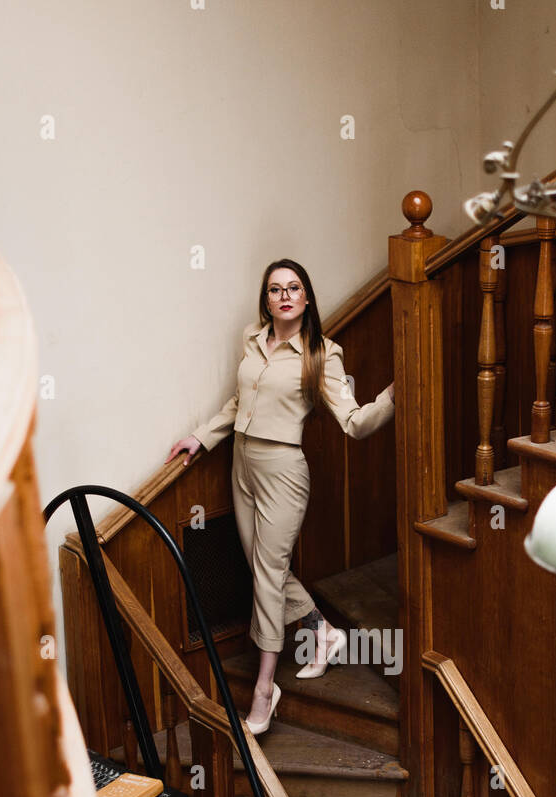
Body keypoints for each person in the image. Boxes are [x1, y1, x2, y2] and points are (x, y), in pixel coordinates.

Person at [165, 259, 395, 734]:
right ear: (266, 299)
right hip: (240, 462)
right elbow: (238, 402)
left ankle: (265, 690)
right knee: (261, 566)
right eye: (275, 289)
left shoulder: (321, 354)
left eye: (294, 288)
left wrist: (397, 393)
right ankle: (322, 631)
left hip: (283, 471)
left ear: (307, 299)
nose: (285, 295)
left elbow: (355, 423)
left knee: (268, 576)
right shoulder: (253, 340)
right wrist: (202, 437)